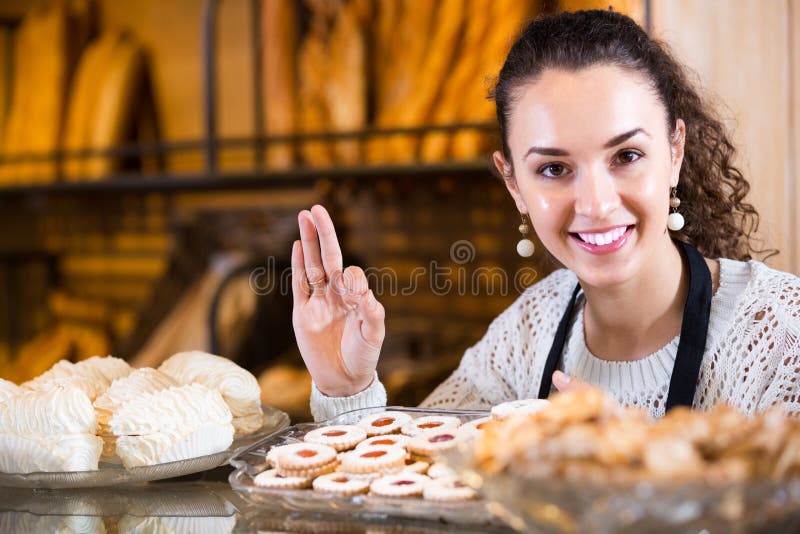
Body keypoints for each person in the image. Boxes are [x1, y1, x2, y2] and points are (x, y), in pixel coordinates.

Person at [291, 10, 800, 422]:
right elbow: (415, 492)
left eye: (626, 156)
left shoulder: (780, 332)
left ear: (675, 152)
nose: (596, 204)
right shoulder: (526, 335)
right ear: (513, 182)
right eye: (554, 168)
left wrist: (649, 472)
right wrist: (347, 388)